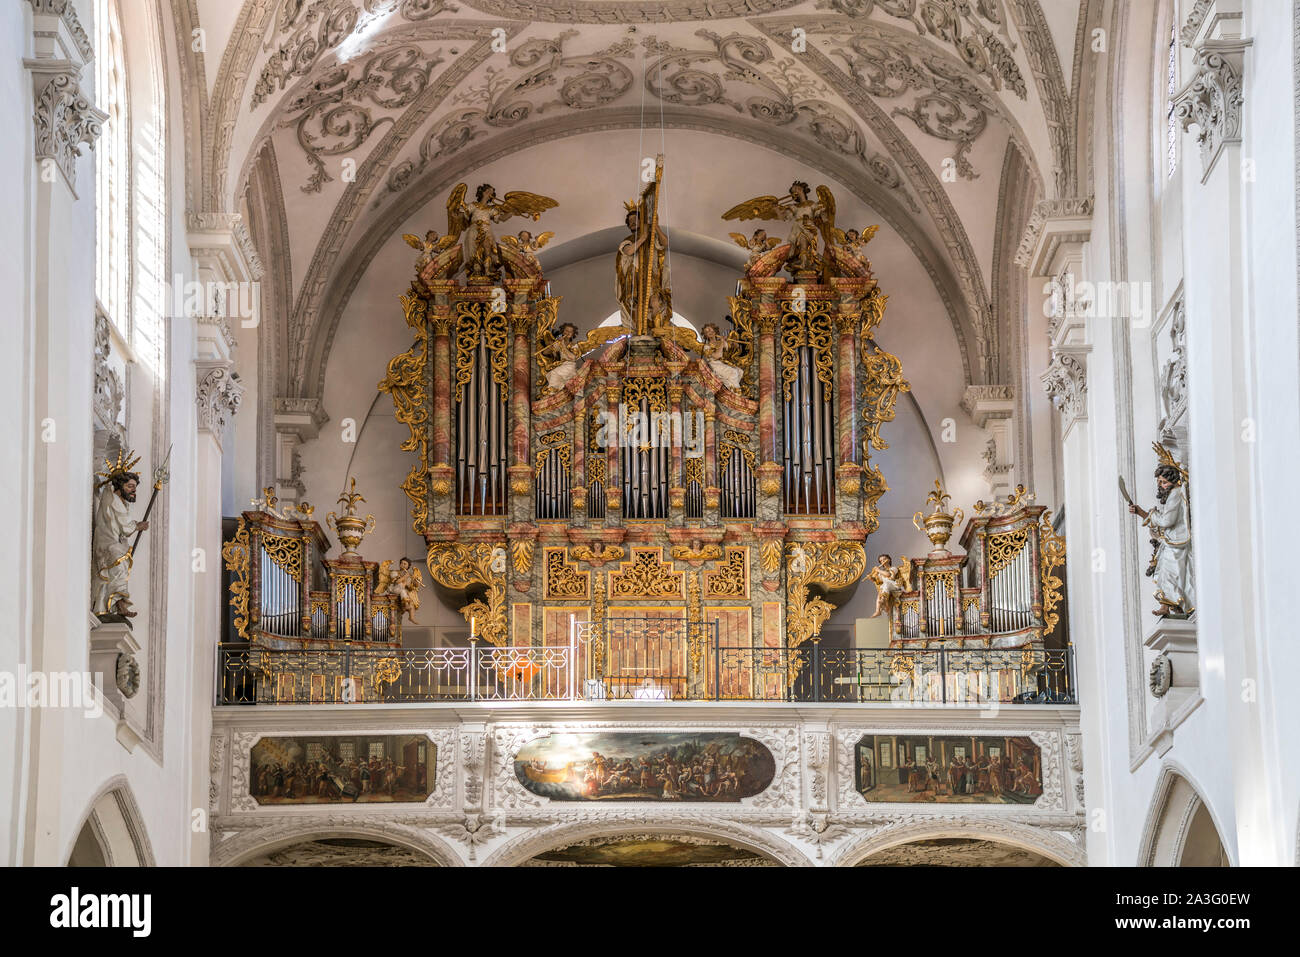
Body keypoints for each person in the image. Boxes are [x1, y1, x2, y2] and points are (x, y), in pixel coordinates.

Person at [1128, 462, 1195, 616]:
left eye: (1164, 482)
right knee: (1165, 573)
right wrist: (1141, 513)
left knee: (1170, 573)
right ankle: (1168, 606)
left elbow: (1166, 521)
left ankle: (1173, 605)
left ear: (1173, 481)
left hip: (1176, 541)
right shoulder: (1175, 494)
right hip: (1171, 540)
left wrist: (1149, 514)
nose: (1161, 486)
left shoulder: (1175, 494)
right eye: (1159, 482)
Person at [700, 323, 743, 390]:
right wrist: (722, 342)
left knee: (740, 371)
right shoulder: (707, 347)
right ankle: (736, 393)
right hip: (715, 366)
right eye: (707, 332)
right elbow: (717, 356)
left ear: (715, 330)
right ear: (705, 335)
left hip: (723, 364)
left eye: (710, 330)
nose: (710, 332)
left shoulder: (720, 342)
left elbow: (734, 347)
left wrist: (732, 343)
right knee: (733, 372)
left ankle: (730, 389)